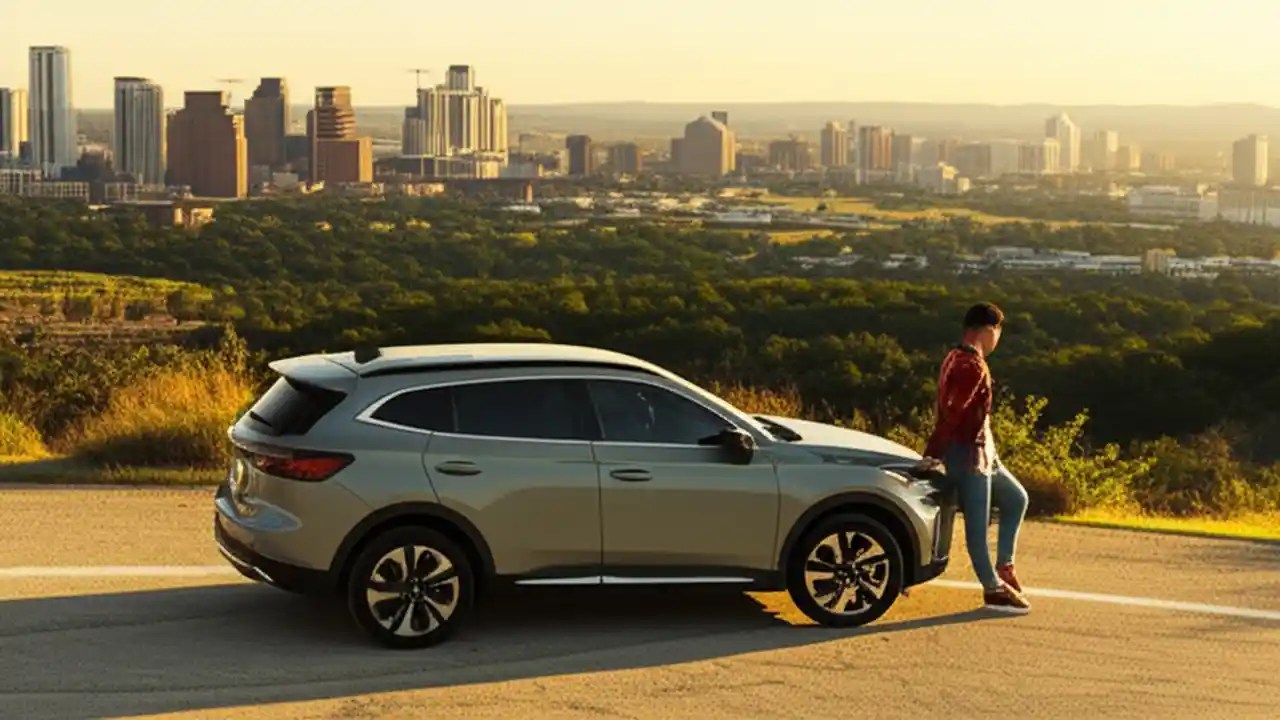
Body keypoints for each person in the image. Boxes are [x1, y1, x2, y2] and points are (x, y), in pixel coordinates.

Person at [924, 302, 1031, 614]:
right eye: (999, 332)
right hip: (969, 454)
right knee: (976, 524)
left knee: (1015, 498)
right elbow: (952, 415)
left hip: (985, 451)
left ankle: (1005, 566)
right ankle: (993, 588)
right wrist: (932, 454)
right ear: (990, 330)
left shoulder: (955, 357)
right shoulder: (970, 366)